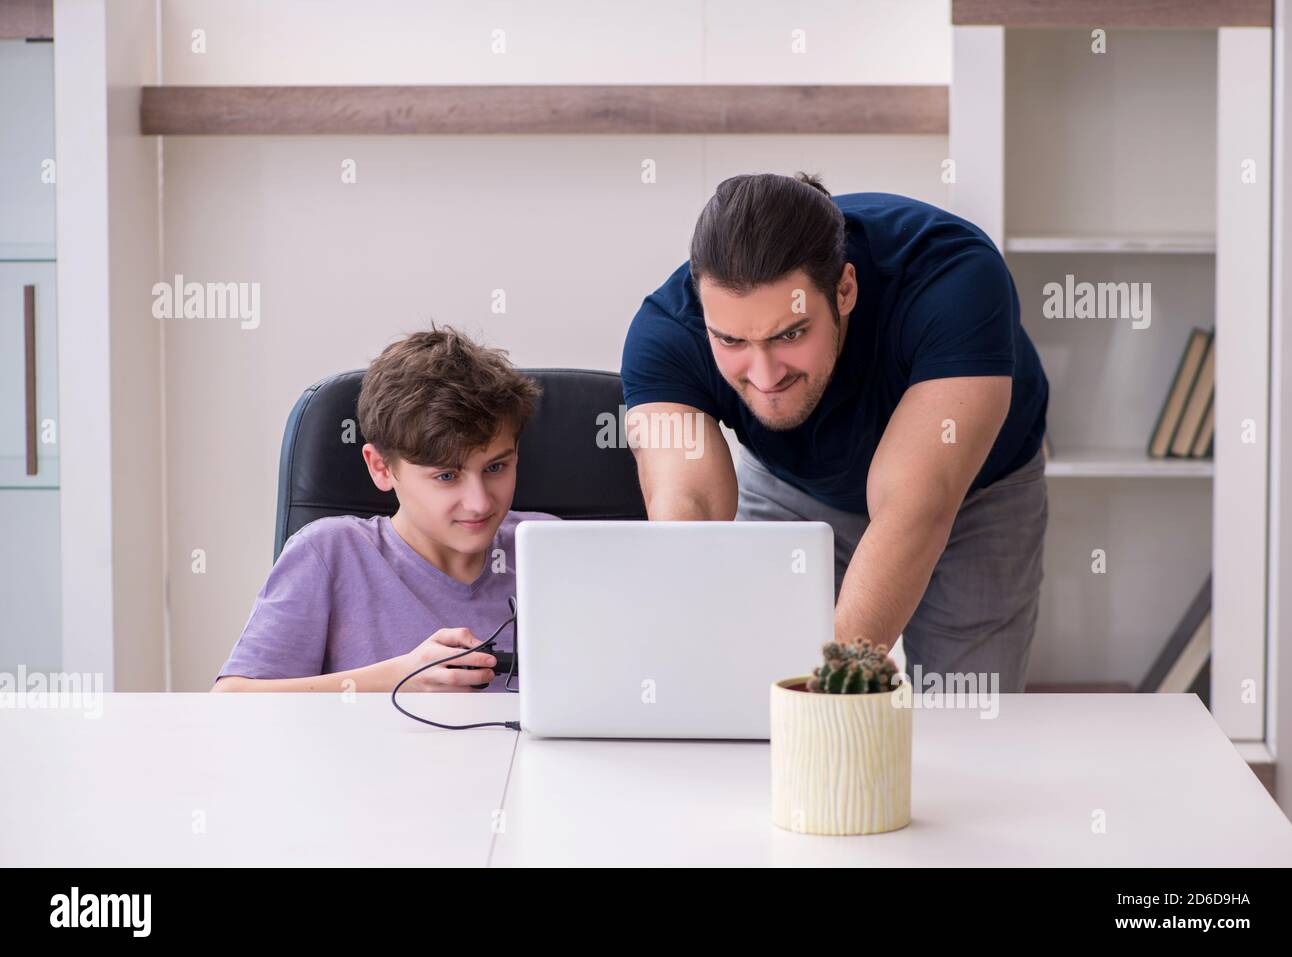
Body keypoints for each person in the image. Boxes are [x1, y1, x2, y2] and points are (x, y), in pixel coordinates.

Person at [621, 172, 1049, 691]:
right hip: (791, 485)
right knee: (757, 683)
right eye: (731, 340)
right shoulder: (666, 330)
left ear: (845, 289)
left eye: (791, 334)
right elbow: (689, 510)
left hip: (976, 494)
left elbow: (916, 504)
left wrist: (825, 690)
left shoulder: (954, 277)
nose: (765, 375)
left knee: (967, 708)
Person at [213, 325, 555, 693]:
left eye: (495, 468)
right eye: (446, 476)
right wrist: (398, 678)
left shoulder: (551, 548)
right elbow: (231, 699)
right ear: (380, 467)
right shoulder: (330, 552)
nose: (480, 502)